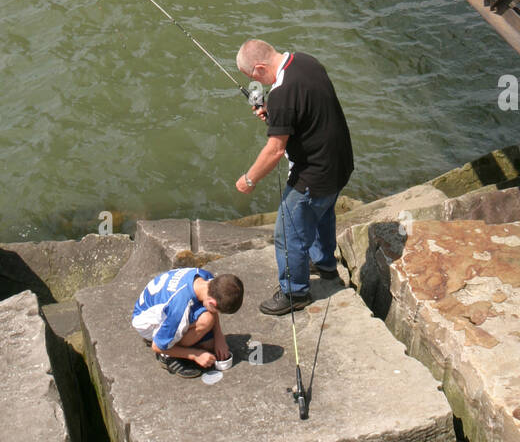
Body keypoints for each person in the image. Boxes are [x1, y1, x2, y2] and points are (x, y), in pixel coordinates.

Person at [235, 40, 354, 316]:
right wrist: (274, 114)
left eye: (253, 76)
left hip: (314, 174)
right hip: (339, 165)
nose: (256, 82)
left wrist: (248, 179)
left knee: (287, 232)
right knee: (321, 215)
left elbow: (275, 150)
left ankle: (295, 292)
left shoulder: (282, 93)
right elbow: (304, 109)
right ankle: (323, 264)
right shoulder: (305, 61)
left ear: (261, 66)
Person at [132, 266, 244, 378]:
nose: (217, 314)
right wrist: (195, 355)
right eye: (218, 311)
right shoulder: (179, 310)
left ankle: (176, 341)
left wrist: (219, 336)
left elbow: (211, 308)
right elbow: (157, 346)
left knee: (210, 345)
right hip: (147, 322)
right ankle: (166, 355)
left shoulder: (207, 279)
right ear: (212, 303)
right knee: (206, 320)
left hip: (164, 301)